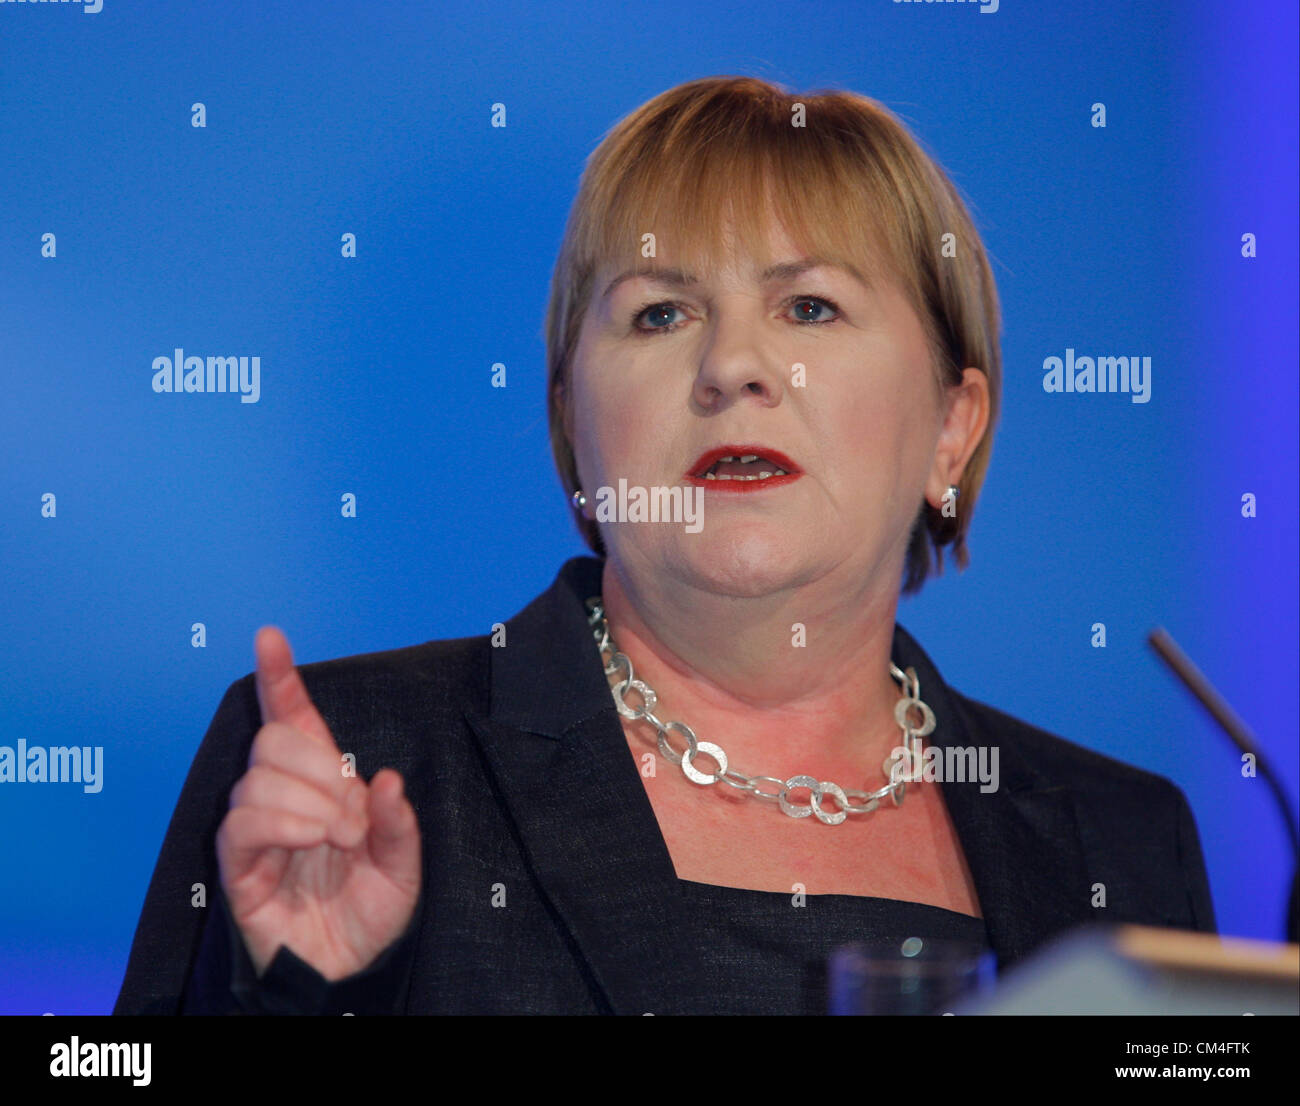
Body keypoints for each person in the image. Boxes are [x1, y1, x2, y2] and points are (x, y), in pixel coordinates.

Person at [114, 75, 1216, 1016]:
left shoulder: (1120, 843)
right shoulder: (353, 763)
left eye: (811, 307)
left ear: (951, 426)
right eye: (659, 313)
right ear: (573, 430)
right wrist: (305, 989)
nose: (731, 366)